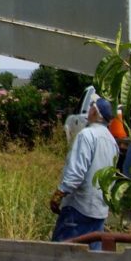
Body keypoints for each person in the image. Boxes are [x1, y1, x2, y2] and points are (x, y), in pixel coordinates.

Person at [50, 96, 118, 250]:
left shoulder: (86, 135)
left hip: (79, 207)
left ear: (95, 112)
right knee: (91, 260)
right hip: (99, 210)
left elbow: (76, 172)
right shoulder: (112, 142)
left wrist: (59, 194)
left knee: (61, 253)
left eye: (92, 107)